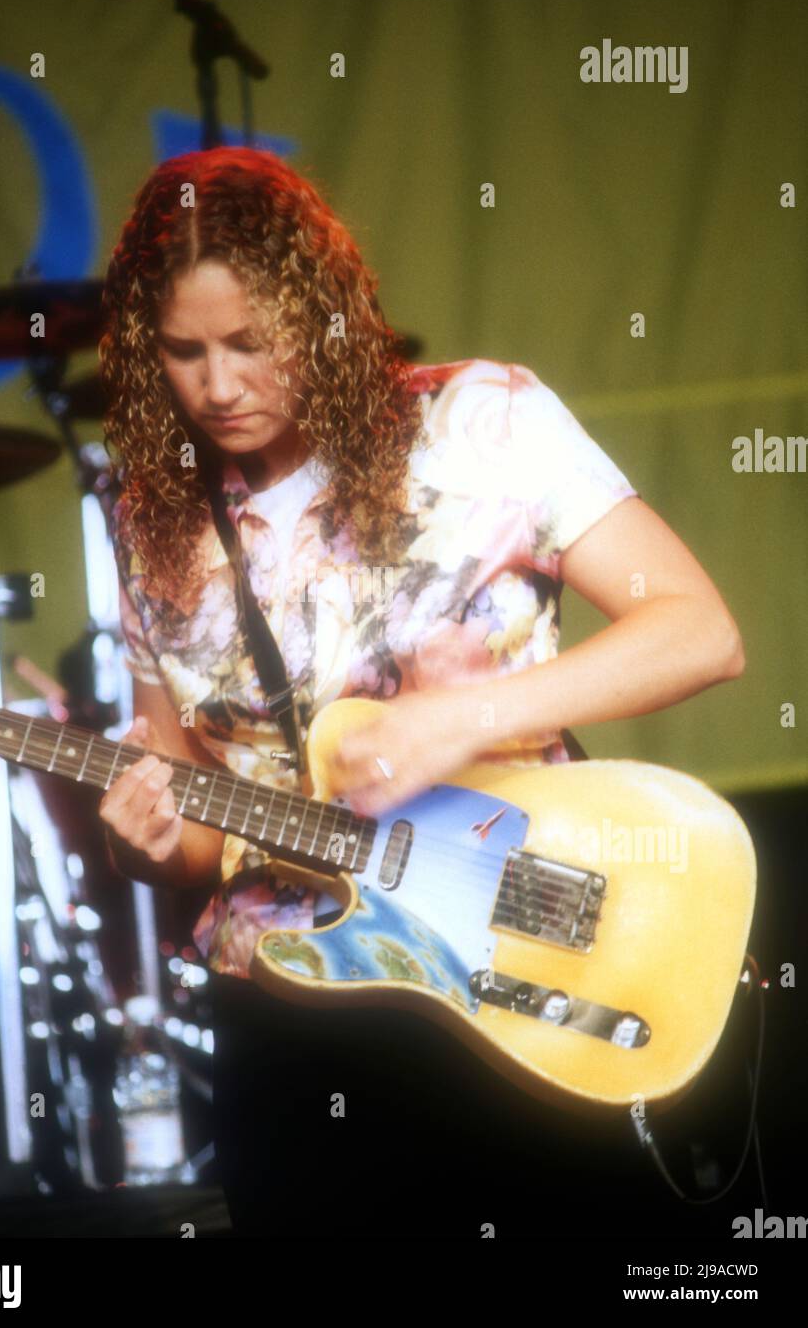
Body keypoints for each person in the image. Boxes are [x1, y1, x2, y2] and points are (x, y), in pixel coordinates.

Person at [97, 145, 745, 1239]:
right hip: (292, 1009)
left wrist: (462, 717)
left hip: (520, 942)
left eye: (251, 344)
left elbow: (697, 630)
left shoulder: (483, 420)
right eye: (183, 352)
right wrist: (142, 842)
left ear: (324, 313)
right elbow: (193, 812)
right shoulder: (149, 520)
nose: (217, 385)